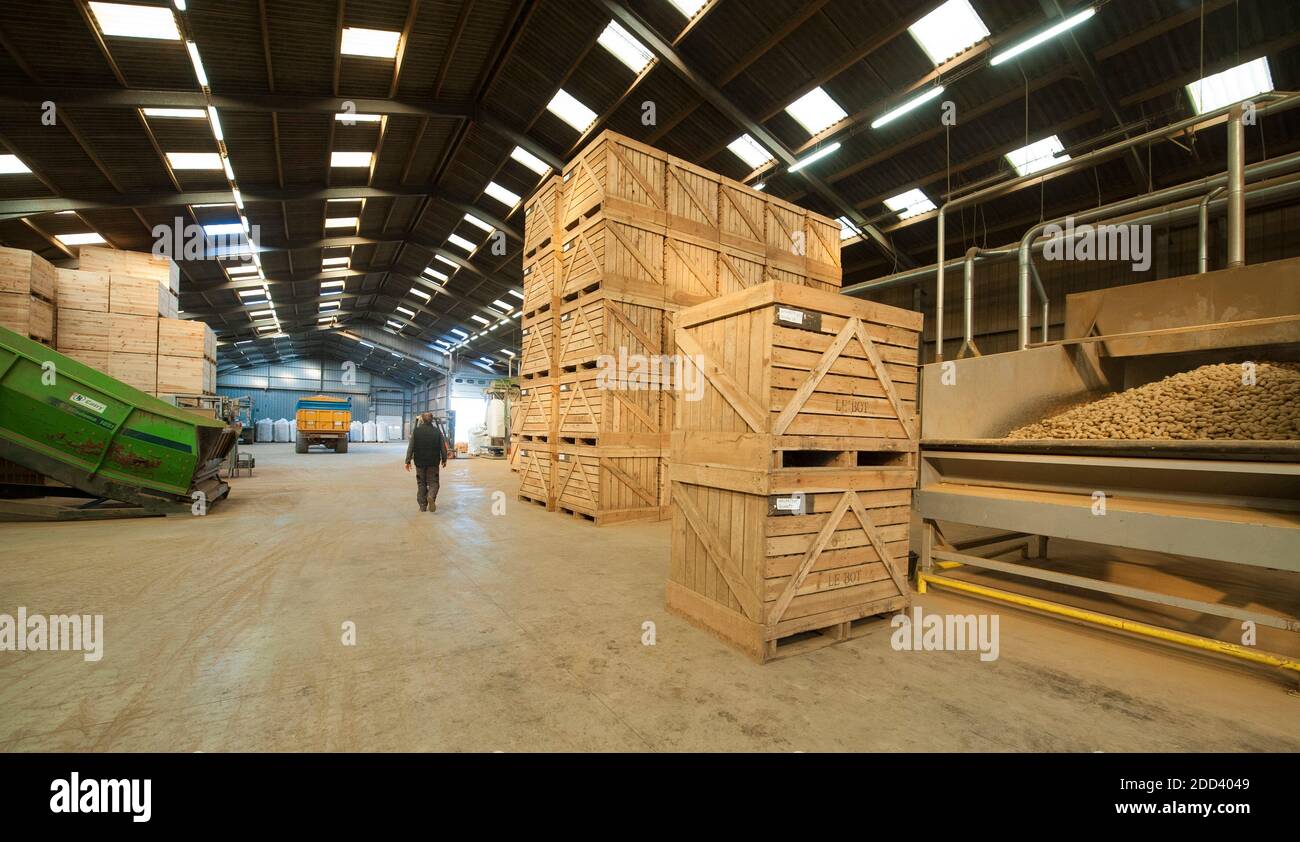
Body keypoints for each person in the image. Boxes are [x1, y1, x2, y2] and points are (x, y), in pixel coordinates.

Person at [404, 412, 449, 512]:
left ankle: (422, 506)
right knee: (434, 483)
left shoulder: (416, 431)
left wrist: (408, 461)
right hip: (433, 462)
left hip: (419, 462)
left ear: (422, 420)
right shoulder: (437, 432)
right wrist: (444, 459)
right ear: (432, 420)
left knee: (421, 484)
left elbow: (410, 447)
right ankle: (431, 496)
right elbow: (443, 447)